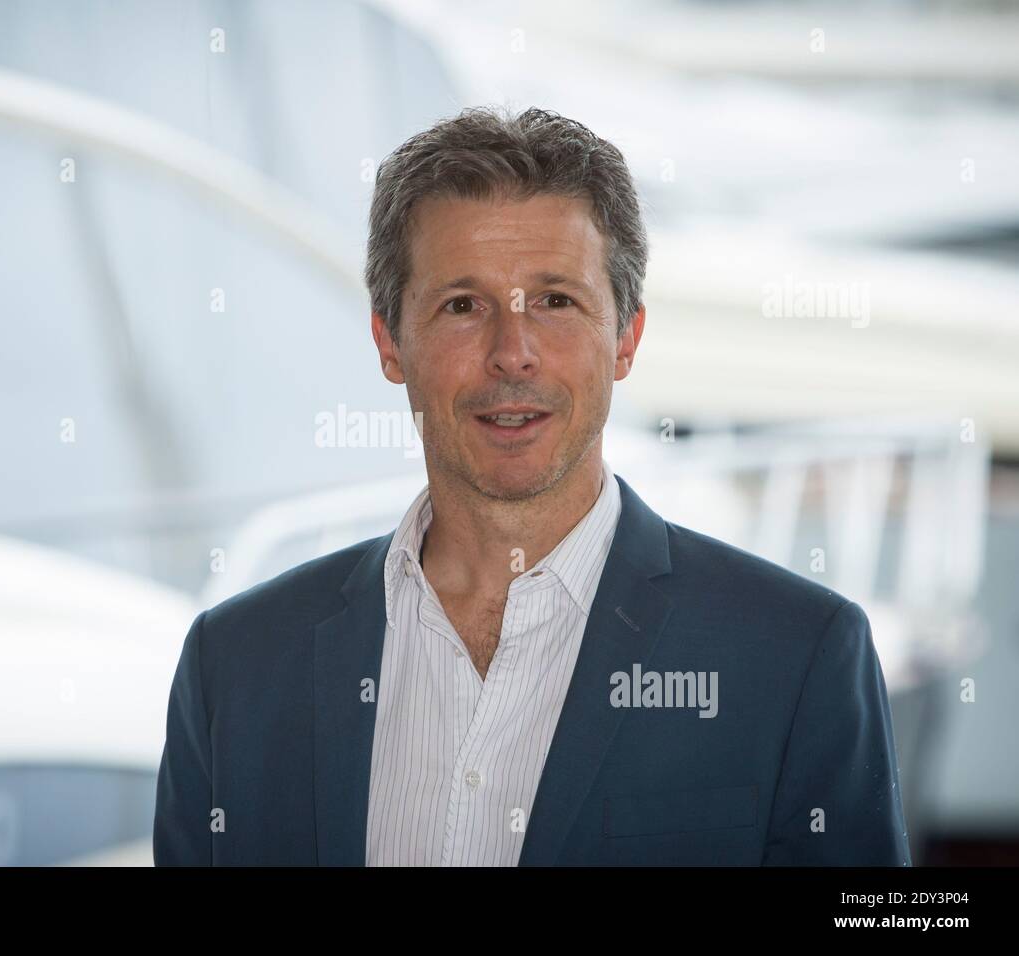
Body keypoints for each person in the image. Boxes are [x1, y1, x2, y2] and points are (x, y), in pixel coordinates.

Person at [153, 106, 910, 866]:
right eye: (462, 305)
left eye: (555, 301)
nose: (512, 354)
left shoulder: (794, 658)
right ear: (390, 341)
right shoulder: (237, 667)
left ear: (625, 338)